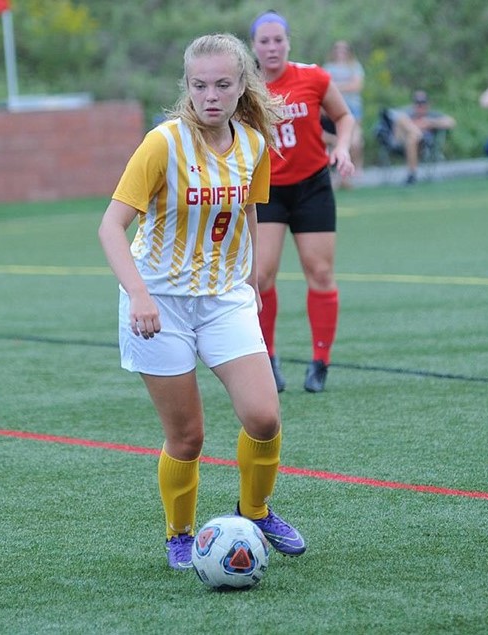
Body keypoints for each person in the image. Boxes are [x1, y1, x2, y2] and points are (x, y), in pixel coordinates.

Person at [97, 33, 307, 570]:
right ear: (186, 87)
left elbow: (249, 214)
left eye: (221, 84)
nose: (209, 95)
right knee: (187, 438)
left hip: (224, 301)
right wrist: (138, 295)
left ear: (242, 86)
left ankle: (256, 511)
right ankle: (180, 534)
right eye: (198, 85)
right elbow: (111, 227)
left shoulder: (255, 145)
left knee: (264, 416)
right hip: (159, 304)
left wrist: (256, 278)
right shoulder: (162, 142)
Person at [250, 10, 356, 394]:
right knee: (260, 276)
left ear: (288, 42)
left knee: (321, 272)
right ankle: (268, 358)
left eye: (279, 39)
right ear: (254, 47)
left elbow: (343, 117)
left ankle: (320, 361)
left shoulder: (312, 77)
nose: (272, 47)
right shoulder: (245, 89)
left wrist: (341, 148)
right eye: (264, 41)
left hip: (312, 186)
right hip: (267, 190)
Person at [322, 40, 365, 188]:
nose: (341, 52)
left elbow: (356, 86)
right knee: (336, 141)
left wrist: (336, 87)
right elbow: (324, 87)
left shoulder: (354, 66)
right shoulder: (328, 68)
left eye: (344, 49)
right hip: (332, 110)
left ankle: (355, 169)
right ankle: (340, 176)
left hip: (353, 109)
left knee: (354, 141)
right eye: (338, 49)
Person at [391, 90, 456, 184]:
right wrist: (416, 127)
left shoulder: (432, 115)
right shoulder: (408, 114)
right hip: (400, 145)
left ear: (428, 104)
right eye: (417, 103)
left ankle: (412, 175)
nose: (420, 106)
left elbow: (451, 122)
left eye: (422, 103)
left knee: (412, 138)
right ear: (413, 104)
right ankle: (416, 133)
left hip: (423, 145)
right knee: (402, 120)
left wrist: (430, 123)